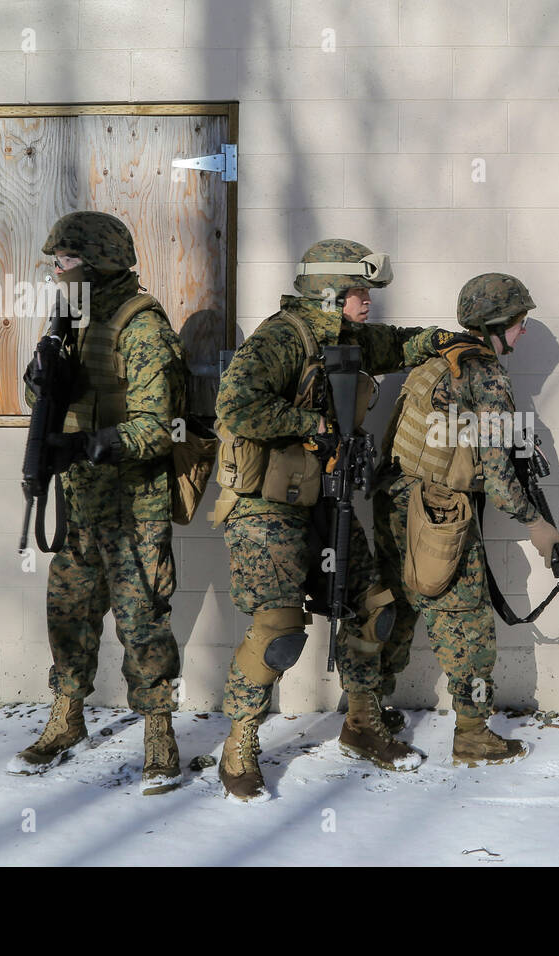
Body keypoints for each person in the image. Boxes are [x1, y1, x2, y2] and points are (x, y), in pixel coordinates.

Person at [211, 239, 474, 801]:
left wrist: (449, 342)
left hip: (325, 502)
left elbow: (399, 343)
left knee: (374, 610)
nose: (368, 301)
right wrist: (314, 425)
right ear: (329, 291)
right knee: (279, 634)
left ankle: (360, 724)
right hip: (267, 507)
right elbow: (235, 404)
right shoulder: (282, 336)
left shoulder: (346, 340)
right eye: (359, 291)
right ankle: (239, 743)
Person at [8, 211, 190, 796]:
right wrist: (41, 379)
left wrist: (91, 443)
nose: (55, 270)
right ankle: (66, 716)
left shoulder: (141, 327)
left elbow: (160, 429)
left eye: (64, 260)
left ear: (96, 262)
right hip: (81, 503)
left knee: (142, 623)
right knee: (68, 612)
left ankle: (158, 731)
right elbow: (50, 393)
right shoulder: (70, 318)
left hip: (134, 504)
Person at [372, 273, 559, 766]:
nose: (522, 334)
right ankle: (474, 734)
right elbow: (498, 474)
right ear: (497, 324)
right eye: (520, 324)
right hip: (439, 512)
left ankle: (364, 715)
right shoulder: (485, 375)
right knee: (468, 621)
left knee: (397, 603)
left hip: (396, 500)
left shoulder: (436, 360)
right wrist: (535, 524)